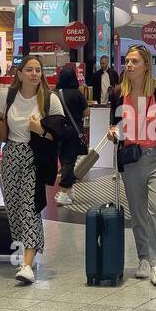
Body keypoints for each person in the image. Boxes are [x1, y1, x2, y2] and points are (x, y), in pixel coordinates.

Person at [106, 44, 156, 287]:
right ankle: (143, 258)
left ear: (146, 66)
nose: (129, 65)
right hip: (132, 160)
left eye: (135, 61)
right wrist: (113, 132)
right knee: (139, 212)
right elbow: (115, 125)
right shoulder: (118, 93)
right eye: (127, 61)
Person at [0, 55, 66, 285]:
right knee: (15, 208)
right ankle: (28, 251)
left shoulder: (50, 100)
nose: (34, 74)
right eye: (29, 69)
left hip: (35, 157)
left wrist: (39, 128)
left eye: (38, 70)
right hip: (11, 155)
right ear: (19, 74)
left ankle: (27, 264)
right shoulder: (7, 96)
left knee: (29, 207)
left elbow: (58, 135)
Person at [53, 63, 88, 207]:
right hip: (74, 131)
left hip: (59, 131)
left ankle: (69, 190)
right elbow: (87, 112)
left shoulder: (55, 93)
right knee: (70, 161)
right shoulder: (77, 93)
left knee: (64, 159)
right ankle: (63, 191)